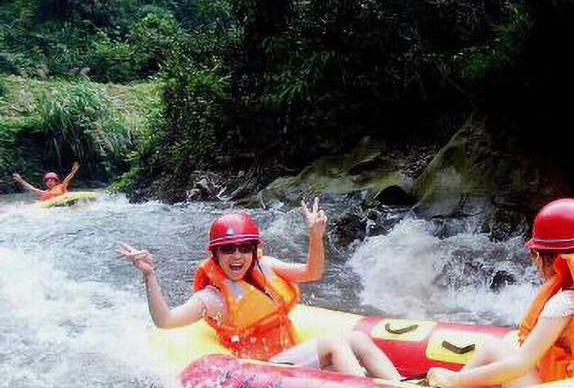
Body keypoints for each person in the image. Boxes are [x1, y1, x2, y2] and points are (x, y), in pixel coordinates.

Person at [118, 199, 400, 379]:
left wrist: (315, 237)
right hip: (264, 370)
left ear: (254, 250)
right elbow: (165, 321)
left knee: (358, 339)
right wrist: (149, 275)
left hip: (291, 357)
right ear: (215, 255)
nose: (237, 256)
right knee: (334, 343)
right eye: (228, 249)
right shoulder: (212, 298)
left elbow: (312, 272)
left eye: (244, 248)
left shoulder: (267, 267)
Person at [428, 198, 574, 387]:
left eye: (534, 254)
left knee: (493, 349)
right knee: (502, 345)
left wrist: (454, 380)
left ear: (543, 256)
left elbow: (519, 365)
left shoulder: (564, 302)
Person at [13, 161, 80, 201]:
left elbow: (66, 180)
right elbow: (33, 189)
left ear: (56, 182)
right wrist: (21, 181)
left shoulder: (61, 187)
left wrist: (73, 171)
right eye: (47, 181)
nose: (49, 182)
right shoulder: (45, 192)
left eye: (51, 180)